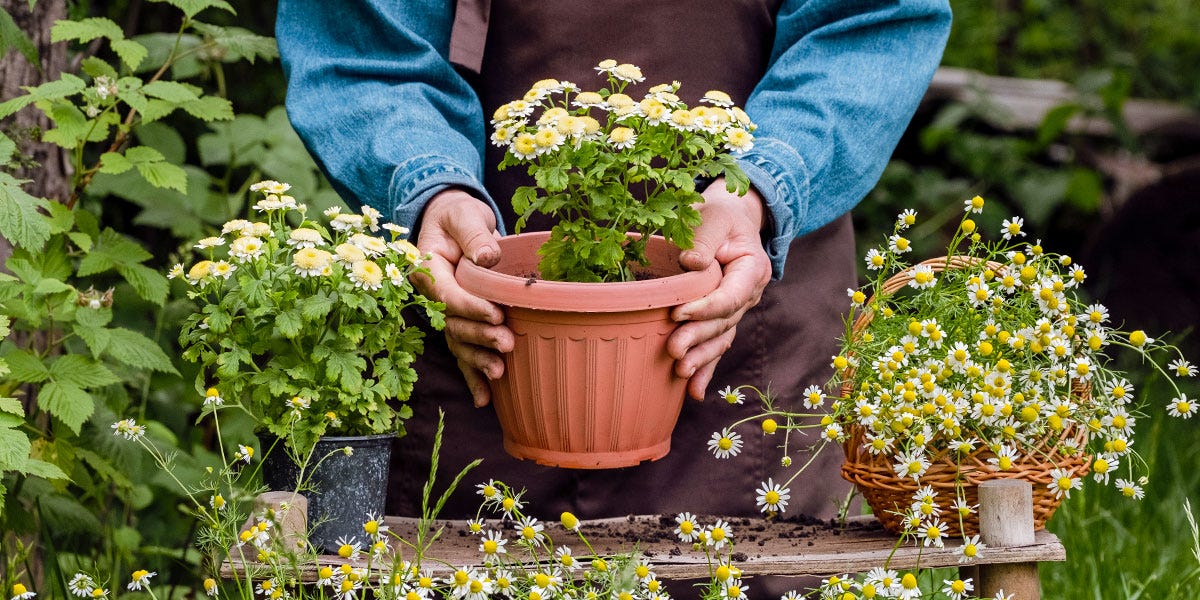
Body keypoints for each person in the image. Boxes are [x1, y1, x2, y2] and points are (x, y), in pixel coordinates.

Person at [276, 0, 952, 523]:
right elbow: (363, 41)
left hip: (742, 317)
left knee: (743, 569)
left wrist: (757, 190)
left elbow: (873, 20)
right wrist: (430, 185)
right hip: (473, 311)